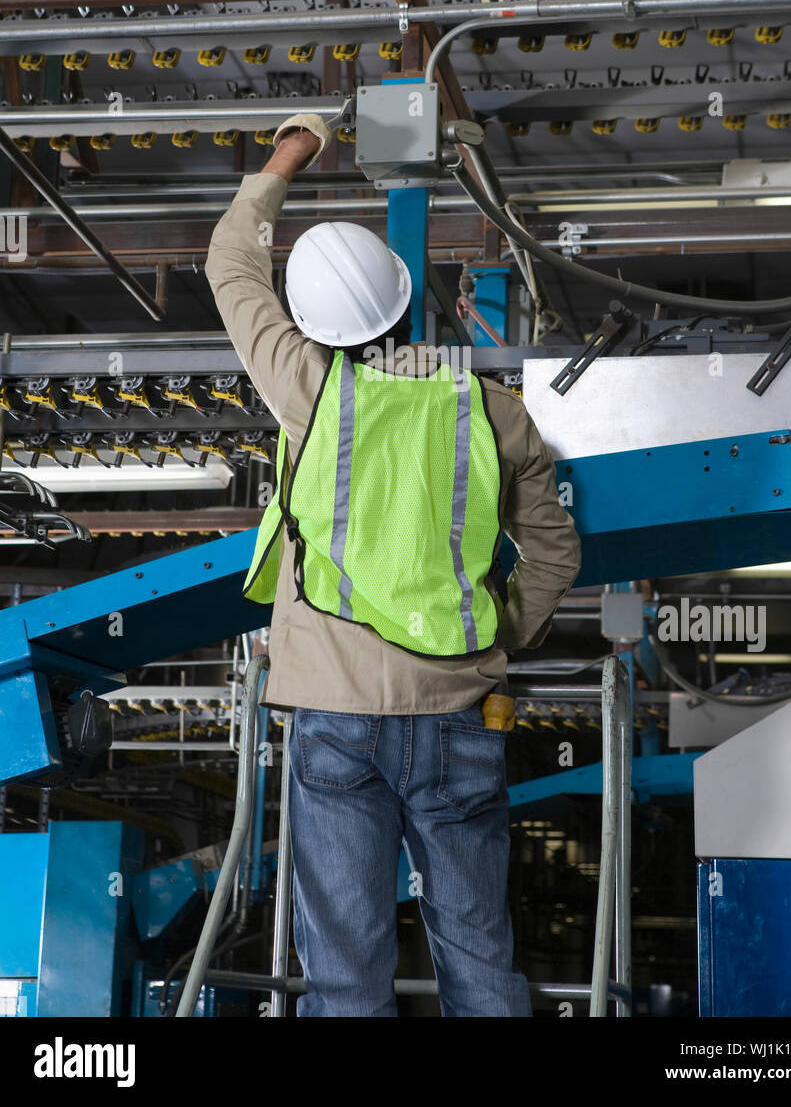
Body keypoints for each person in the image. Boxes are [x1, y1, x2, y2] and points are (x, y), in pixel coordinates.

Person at [206, 112, 581, 1017]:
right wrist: (503, 633)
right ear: (406, 301)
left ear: (310, 325)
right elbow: (555, 552)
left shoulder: (304, 390)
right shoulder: (491, 409)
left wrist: (295, 149)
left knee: (344, 967)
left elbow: (230, 260)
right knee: (480, 951)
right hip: (459, 708)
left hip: (335, 718)